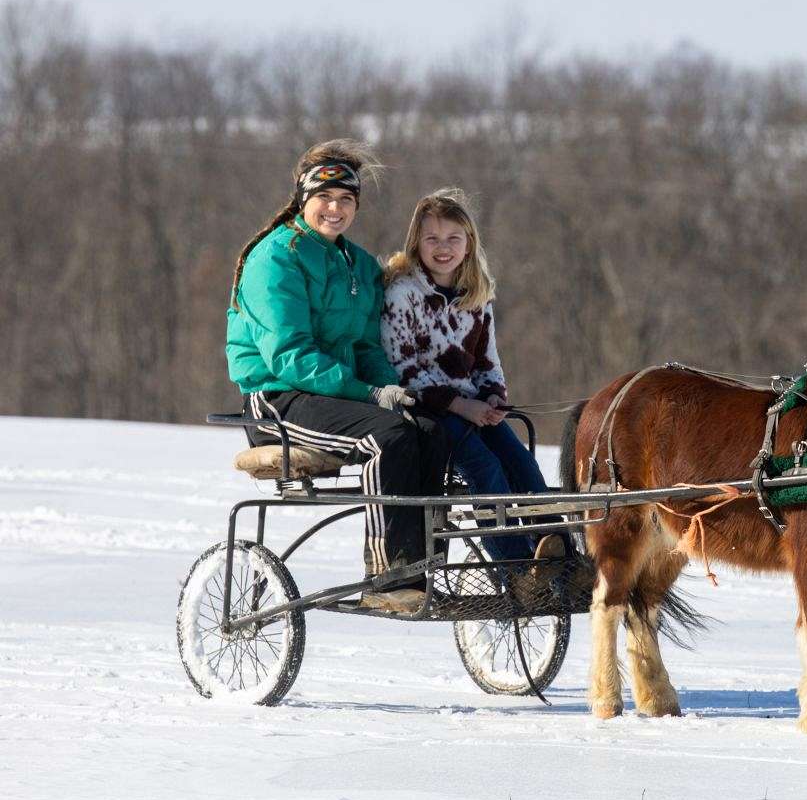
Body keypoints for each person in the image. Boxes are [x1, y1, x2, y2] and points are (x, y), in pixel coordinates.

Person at [225, 139, 446, 614]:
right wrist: (368, 393)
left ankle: (424, 570)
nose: (335, 208)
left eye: (347, 199)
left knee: (430, 429)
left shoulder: (359, 264)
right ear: (303, 199)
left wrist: (392, 390)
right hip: (279, 399)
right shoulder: (275, 258)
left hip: (339, 396)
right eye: (324, 197)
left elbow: (366, 346)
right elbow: (288, 355)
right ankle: (387, 579)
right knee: (387, 438)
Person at [380, 189, 563, 565]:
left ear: (468, 244)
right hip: (425, 411)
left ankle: (557, 554)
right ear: (416, 242)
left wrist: (493, 396)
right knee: (486, 468)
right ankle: (515, 567)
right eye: (432, 239)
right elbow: (404, 372)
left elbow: (487, 362)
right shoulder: (403, 294)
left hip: (472, 408)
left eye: (453, 238)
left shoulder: (476, 295)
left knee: (522, 464)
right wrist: (461, 405)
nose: (443, 248)